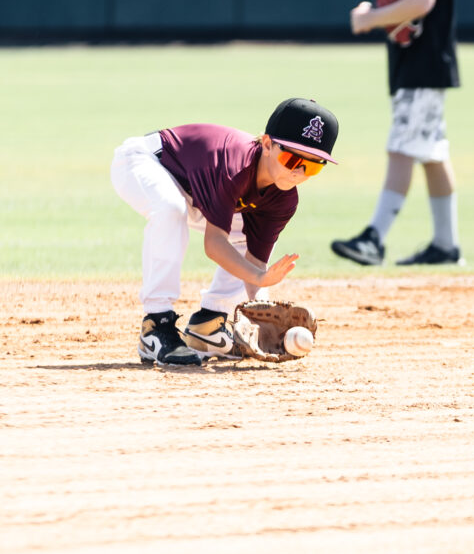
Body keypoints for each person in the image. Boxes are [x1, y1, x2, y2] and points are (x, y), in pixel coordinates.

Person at [110, 98, 338, 367]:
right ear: (266, 144)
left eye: (312, 166)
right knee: (171, 209)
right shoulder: (235, 167)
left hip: (197, 194)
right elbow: (214, 244)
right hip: (147, 162)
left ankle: (209, 323)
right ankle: (156, 325)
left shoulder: (284, 200)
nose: (299, 172)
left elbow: (254, 262)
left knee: (244, 232)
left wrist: (261, 308)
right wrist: (260, 279)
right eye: (291, 158)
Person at [331, 0, 463, 267]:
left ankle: (375, 238)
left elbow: (424, 0)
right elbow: (400, 3)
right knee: (431, 153)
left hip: (426, 65)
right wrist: (377, 11)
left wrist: (370, 18)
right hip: (407, 64)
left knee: (401, 148)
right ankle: (446, 246)